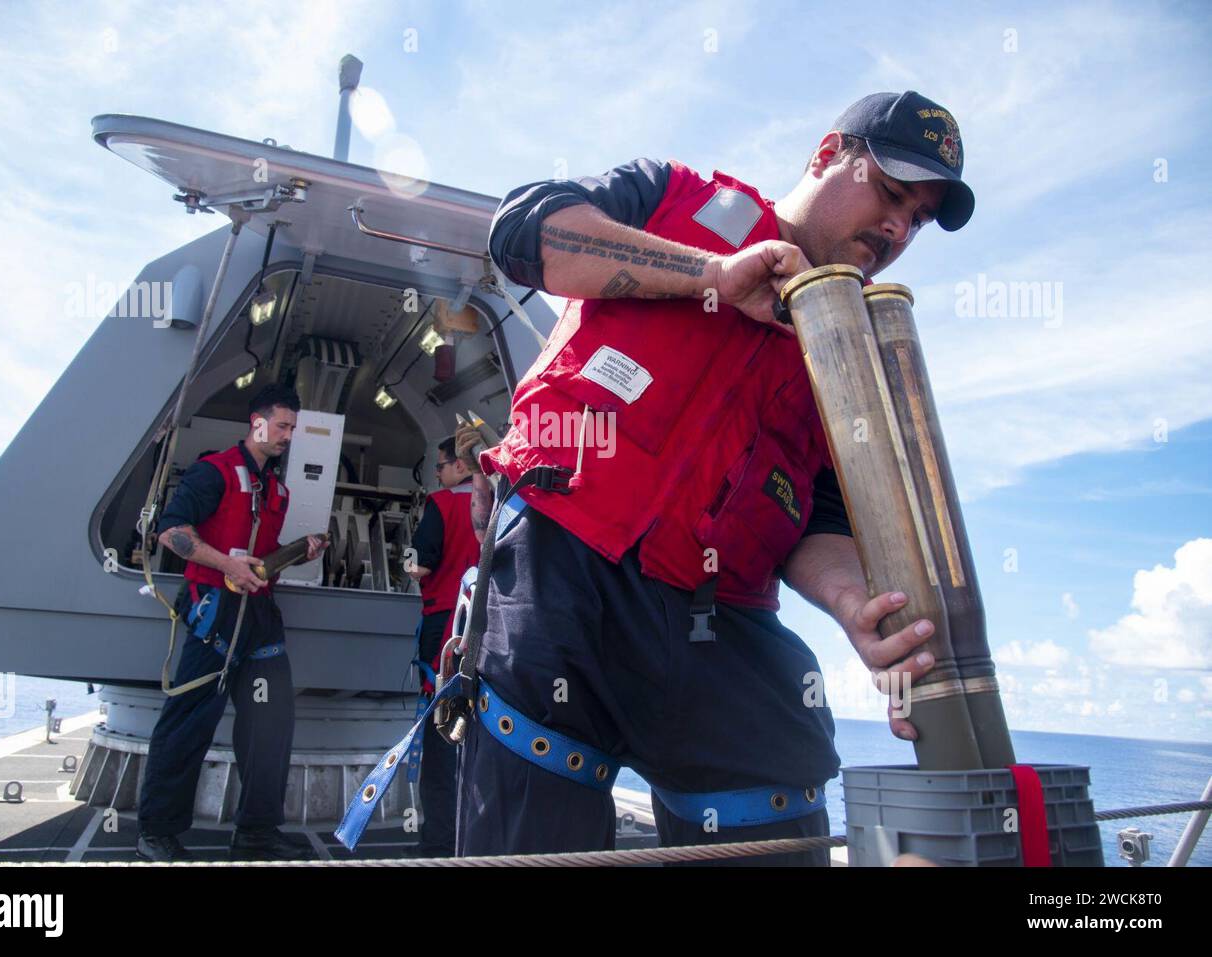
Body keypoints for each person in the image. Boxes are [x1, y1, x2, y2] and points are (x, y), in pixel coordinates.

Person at [453, 91, 976, 863]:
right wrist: (711, 273)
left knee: (786, 771)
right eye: (892, 193)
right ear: (829, 154)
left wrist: (854, 604)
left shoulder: (852, 344)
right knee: (530, 812)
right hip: (559, 574)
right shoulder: (676, 195)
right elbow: (528, 233)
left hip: (716, 617)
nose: (899, 227)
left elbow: (819, 517)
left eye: (920, 219)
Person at [136, 383, 325, 862]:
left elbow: (259, 558)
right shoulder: (212, 472)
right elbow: (171, 533)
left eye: (292, 428)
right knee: (190, 720)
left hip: (258, 616)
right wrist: (226, 564)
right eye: (281, 425)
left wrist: (298, 551)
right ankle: (157, 832)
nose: (287, 435)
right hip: (214, 611)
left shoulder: (277, 489)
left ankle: (257, 830)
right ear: (256, 423)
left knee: (271, 722)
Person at [405, 436, 481, 856]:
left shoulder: (442, 504)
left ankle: (437, 841)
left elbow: (419, 566)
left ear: (460, 467)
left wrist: (405, 557)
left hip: (447, 631)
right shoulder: (502, 503)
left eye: (440, 466)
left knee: (441, 732)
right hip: (490, 628)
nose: (437, 473)